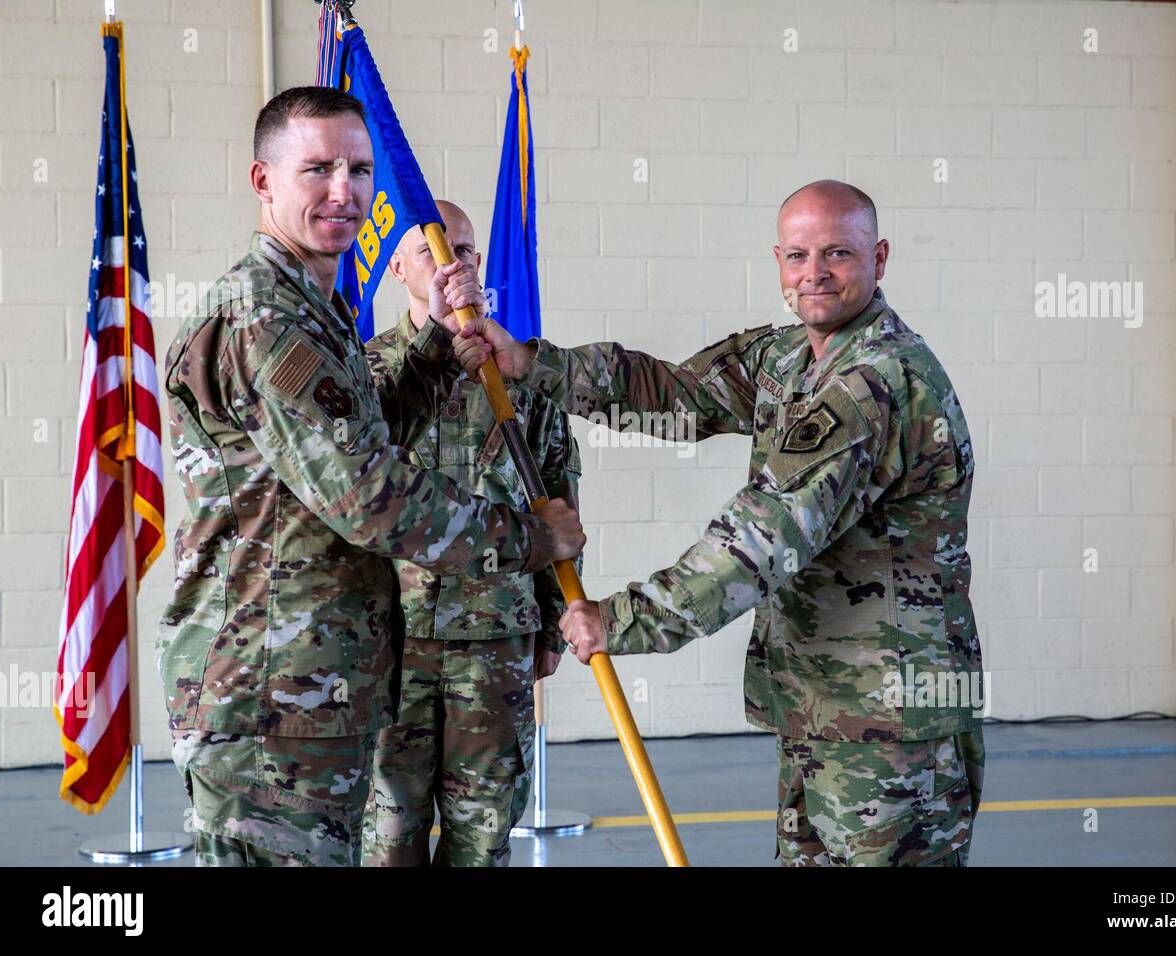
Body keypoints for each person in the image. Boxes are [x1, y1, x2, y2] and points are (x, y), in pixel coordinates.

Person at [448, 179, 985, 866]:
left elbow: (761, 538)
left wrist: (624, 619)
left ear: (879, 257)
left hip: (891, 726)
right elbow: (677, 394)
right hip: (827, 709)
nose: (813, 273)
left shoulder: (873, 384)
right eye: (797, 256)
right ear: (778, 261)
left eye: (838, 254)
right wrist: (533, 364)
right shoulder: (791, 358)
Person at [156, 86, 583, 866]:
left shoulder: (313, 310)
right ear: (264, 182)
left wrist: (429, 358)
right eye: (316, 169)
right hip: (271, 690)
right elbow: (370, 498)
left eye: (358, 169)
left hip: (315, 682)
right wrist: (526, 539)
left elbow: (361, 439)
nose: (343, 191)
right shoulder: (267, 319)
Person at [360, 201, 580, 866]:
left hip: (496, 643)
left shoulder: (518, 377)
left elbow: (556, 505)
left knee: (483, 839)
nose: (452, 265)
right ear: (397, 266)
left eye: (465, 251)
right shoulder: (364, 373)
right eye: (431, 250)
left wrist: (551, 620)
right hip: (391, 646)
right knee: (387, 839)